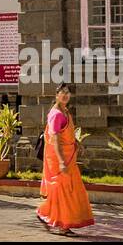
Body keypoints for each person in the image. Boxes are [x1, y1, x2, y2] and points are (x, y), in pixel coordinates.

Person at [37, 83, 93, 236]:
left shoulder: (65, 111)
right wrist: (61, 161)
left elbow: (65, 133)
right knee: (63, 191)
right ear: (56, 95)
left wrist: (77, 142)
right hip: (58, 159)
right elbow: (54, 139)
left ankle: (44, 212)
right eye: (62, 92)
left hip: (69, 157)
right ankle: (63, 226)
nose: (65, 95)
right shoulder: (56, 114)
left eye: (68, 92)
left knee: (67, 190)